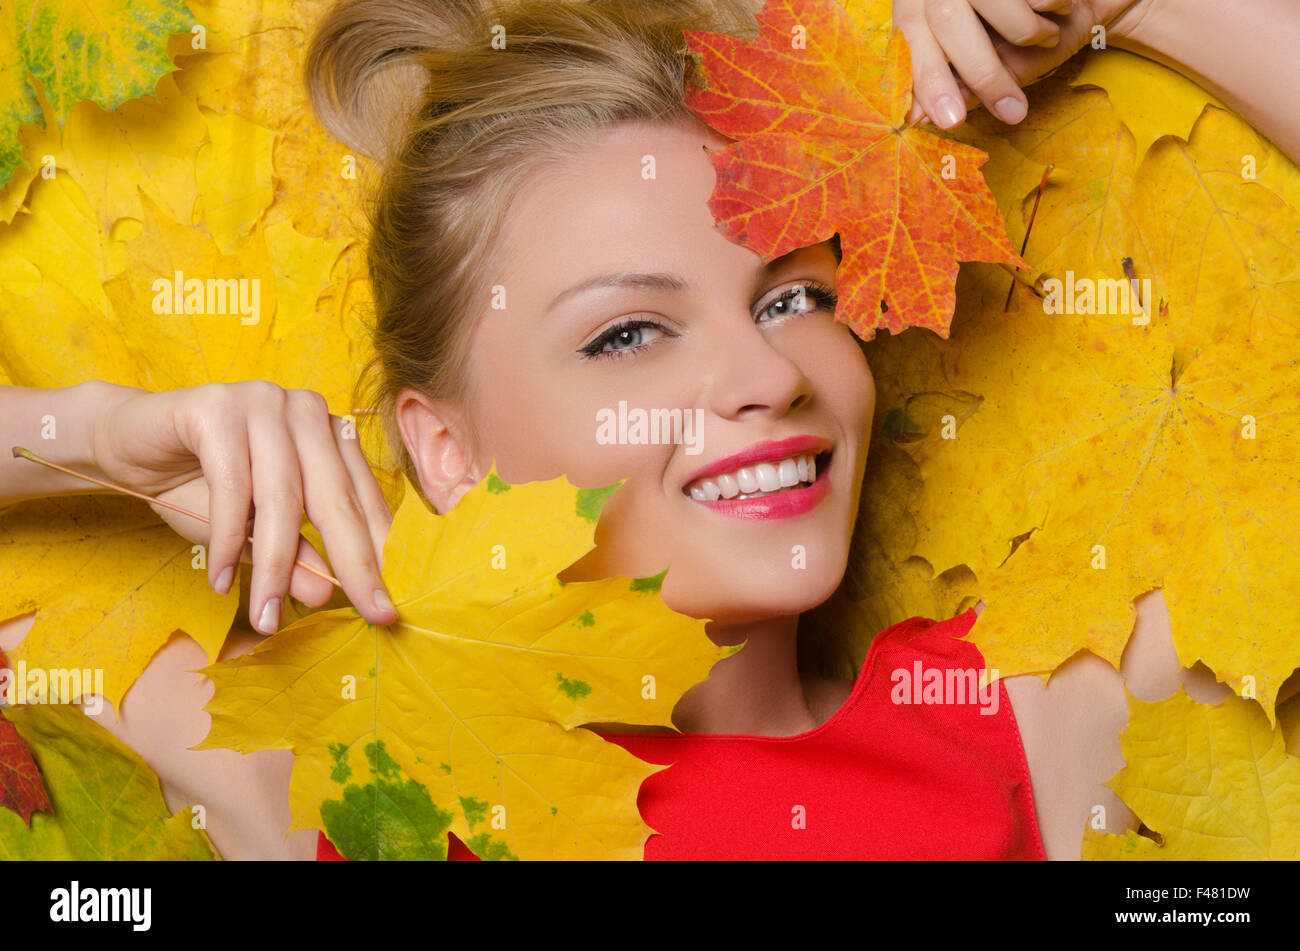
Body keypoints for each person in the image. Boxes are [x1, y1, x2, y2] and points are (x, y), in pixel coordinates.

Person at [1, 0, 1296, 860]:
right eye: (628, 332)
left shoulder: (1026, 711)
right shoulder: (337, 767)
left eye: (791, 294)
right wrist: (96, 437)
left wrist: (1129, 5)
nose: (763, 373)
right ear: (445, 451)